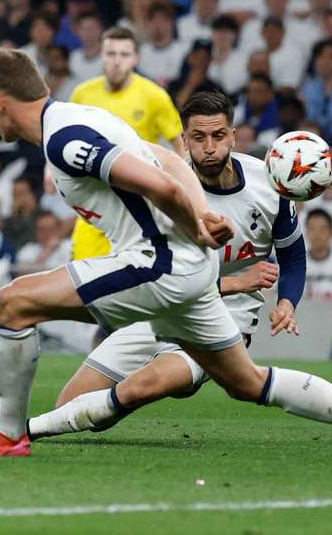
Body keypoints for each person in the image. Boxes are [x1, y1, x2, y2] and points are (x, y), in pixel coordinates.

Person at [0, 50, 332, 462]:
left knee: (12, 302)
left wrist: (193, 221)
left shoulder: (65, 139)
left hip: (157, 264)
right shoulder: (85, 117)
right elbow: (172, 160)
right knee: (247, 382)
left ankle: (6, 434)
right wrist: (201, 210)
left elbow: (156, 180)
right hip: (192, 275)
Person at [24, 90, 307, 440]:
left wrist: (286, 302)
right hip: (159, 303)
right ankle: (30, 429)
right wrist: (237, 281)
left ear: (233, 136)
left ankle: (19, 432)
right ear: (184, 141)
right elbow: (167, 269)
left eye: (218, 136)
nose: (209, 147)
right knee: (69, 405)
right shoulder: (165, 188)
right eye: (198, 138)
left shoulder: (267, 183)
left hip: (222, 318)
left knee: (143, 386)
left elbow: (293, 253)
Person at [68, 26, 186, 261]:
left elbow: (181, 144)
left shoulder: (154, 95)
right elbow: (64, 136)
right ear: (101, 56)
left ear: (135, 58)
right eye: (110, 54)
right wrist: (49, 171)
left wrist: (185, 186)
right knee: (82, 275)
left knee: (138, 277)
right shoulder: (83, 94)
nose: (116, 62)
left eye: (124, 55)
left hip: (140, 200)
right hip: (95, 200)